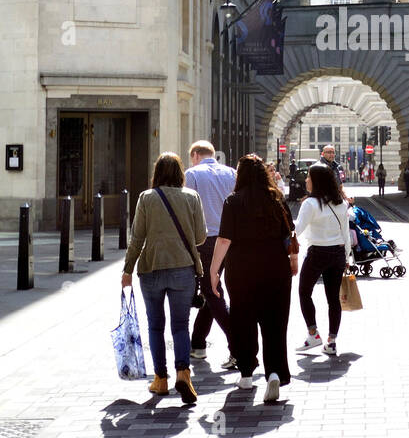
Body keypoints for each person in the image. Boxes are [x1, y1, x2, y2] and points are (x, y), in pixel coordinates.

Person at [209, 154, 296, 404]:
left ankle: (246, 374)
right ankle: (275, 374)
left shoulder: (233, 202)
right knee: (275, 324)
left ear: (241, 175)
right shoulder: (276, 199)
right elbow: (288, 233)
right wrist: (292, 262)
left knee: (242, 319)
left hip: (242, 268)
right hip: (275, 267)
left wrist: (215, 271)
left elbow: (224, 239)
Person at [121, 153, 205, 405]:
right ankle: (184, 373)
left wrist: (127, 270)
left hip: (152, 269)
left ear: (156, 173)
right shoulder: (192, 197)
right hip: (183, 268)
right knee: (180, 325)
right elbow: (200, 236)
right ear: (181, 174)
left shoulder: (146, 198)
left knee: (156, 326)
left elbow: (137, 238)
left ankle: (161, 379)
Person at [184, 140, 237, 369]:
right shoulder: (232, 173)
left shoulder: (192, 175)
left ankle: (238, 344)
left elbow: (187, 209)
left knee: (211, 291)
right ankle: (198, 343)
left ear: (195, 154)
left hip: (205, 241)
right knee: (211, 290)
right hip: (230, 240)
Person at [293, 163, 353, 357]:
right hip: (337, 253)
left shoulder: (310, 204)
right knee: (333, 299)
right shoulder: (341, 203)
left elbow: (297, 230)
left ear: (316, 181)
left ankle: (313, 334)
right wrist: (346, 257)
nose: (307, 180)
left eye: (309, 177)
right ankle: (332, 341)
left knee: (304, 292)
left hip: (317, 253)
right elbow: (345, 232)